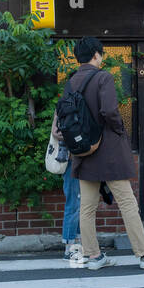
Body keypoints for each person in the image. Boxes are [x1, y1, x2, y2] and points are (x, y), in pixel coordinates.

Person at [68, 37, 144, 271]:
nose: (102, 57)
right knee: (128, 203)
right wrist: (120, 130)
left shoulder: (72, 80)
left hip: (84, 151)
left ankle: (94, 256)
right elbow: (109, 110)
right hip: (107, 151)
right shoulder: (102, 77)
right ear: (96, 55)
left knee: (86, 208)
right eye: (102, 54)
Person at [51, 111, 83, 266]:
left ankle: (76, 245)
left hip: (80, 160)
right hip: (71, 160)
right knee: (74, 203)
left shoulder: (67, 104)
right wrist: (78, 137)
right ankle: (69, 248)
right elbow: (56, 132)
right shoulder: (66, 106)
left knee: (79, 203)